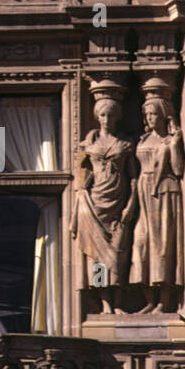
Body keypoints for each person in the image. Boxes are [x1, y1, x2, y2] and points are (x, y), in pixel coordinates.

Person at [70, 84, 138, 314]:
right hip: (95, 203)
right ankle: (105, 304)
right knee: (97, 257)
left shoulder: (125, 144)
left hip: (119, 201)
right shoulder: (89, 146)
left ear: (117, 116)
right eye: (102, 114)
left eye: (110, 114)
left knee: (119, 253)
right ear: (97, 116)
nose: (106, 118)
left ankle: (117, 301)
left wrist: (131, 204)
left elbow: (133, 178)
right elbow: (80, 173)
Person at [130, 84, 184, 313]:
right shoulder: (142, 139)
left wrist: (175, 145)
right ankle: (148, 299)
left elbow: (179, 171)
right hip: (143, 193)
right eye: (147, 114)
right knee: (140, 244)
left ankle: (163, 301)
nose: (150, 117)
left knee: (163, 246)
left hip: (164, 193)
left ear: (163, 114)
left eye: (153, 113)